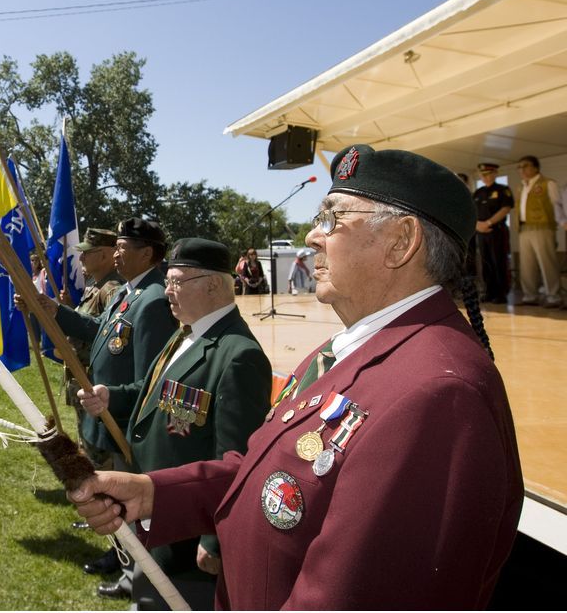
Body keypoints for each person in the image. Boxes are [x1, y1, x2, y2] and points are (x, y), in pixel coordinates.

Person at [70, 144, 523, 610]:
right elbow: (270, 474)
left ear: (401, 242)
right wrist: (154, 495)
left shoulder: (438, 395)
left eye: (332, 219)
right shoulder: (345, 351)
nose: (311, 236)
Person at [78, 237, 272, 609]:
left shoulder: (237, 355)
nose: (167, 290)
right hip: (152, 516)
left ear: (213, 284)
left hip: (186, 536)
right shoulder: (186, 333)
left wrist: (214, 540)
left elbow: (237, 460)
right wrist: (111, 397)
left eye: (177, 281)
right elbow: (150, 392)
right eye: (167, 280)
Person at [19, 217, 177, 598]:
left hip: (123, 425)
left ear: (148, 254)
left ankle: (139, 582)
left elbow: (150, 379)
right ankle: (128, 574)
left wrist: (113, 400)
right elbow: (98, 330)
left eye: (124, 248)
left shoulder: (154, 300)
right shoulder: (129, 292)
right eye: (117, 247)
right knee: (116, 505)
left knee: (129, 509)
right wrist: (54, 310)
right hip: (105, 418)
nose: (117, 254)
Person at [64, 227, 124, 470]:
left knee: (98, 447)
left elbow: (113, 336)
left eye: (87, 254)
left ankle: (106, 495)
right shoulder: (94, 287)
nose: (81, 258)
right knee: (86, 440)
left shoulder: (112, 290)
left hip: (94, 382)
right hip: (82, 379)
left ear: (105, 255)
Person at [515, 155, 562, 308]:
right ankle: (530, 295)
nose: (522, 169)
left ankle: (554, 296)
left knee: (547, 262)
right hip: (524, 228)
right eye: (520, 167)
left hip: (542, 227)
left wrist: (556, 226)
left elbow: (557, 206)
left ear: (536, 167)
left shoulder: (548, 183)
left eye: (525, 166)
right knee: (527, 265)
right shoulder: (521, 187)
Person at [474, 163, 515, 304]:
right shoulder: (478, 192)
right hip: (481, 232)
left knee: (499, 262)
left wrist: (488, 223)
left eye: (487, 174)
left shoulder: (503, 190)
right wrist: (477, 225)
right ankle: (489, 292)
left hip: (496, 231)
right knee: (486, 263)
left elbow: (505, 208)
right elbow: (472, 212)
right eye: (482, 175)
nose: (484, 177)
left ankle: (501, 293)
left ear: (495, 173)